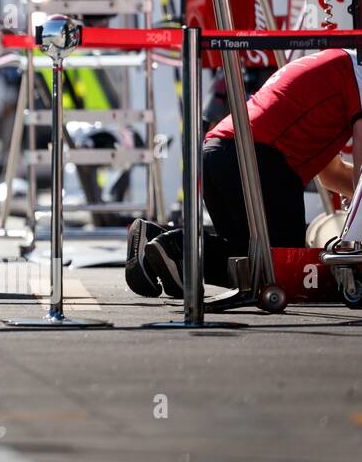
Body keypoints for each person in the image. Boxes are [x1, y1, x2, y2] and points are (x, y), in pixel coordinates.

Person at [129, 49, 362, 296]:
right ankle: (177, 247)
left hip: (220, 153)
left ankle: (160, 240)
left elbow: (331, 173)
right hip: (259, 160)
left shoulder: (336, 66)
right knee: (282, 271)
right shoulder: (356, 73)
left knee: (248, 257)